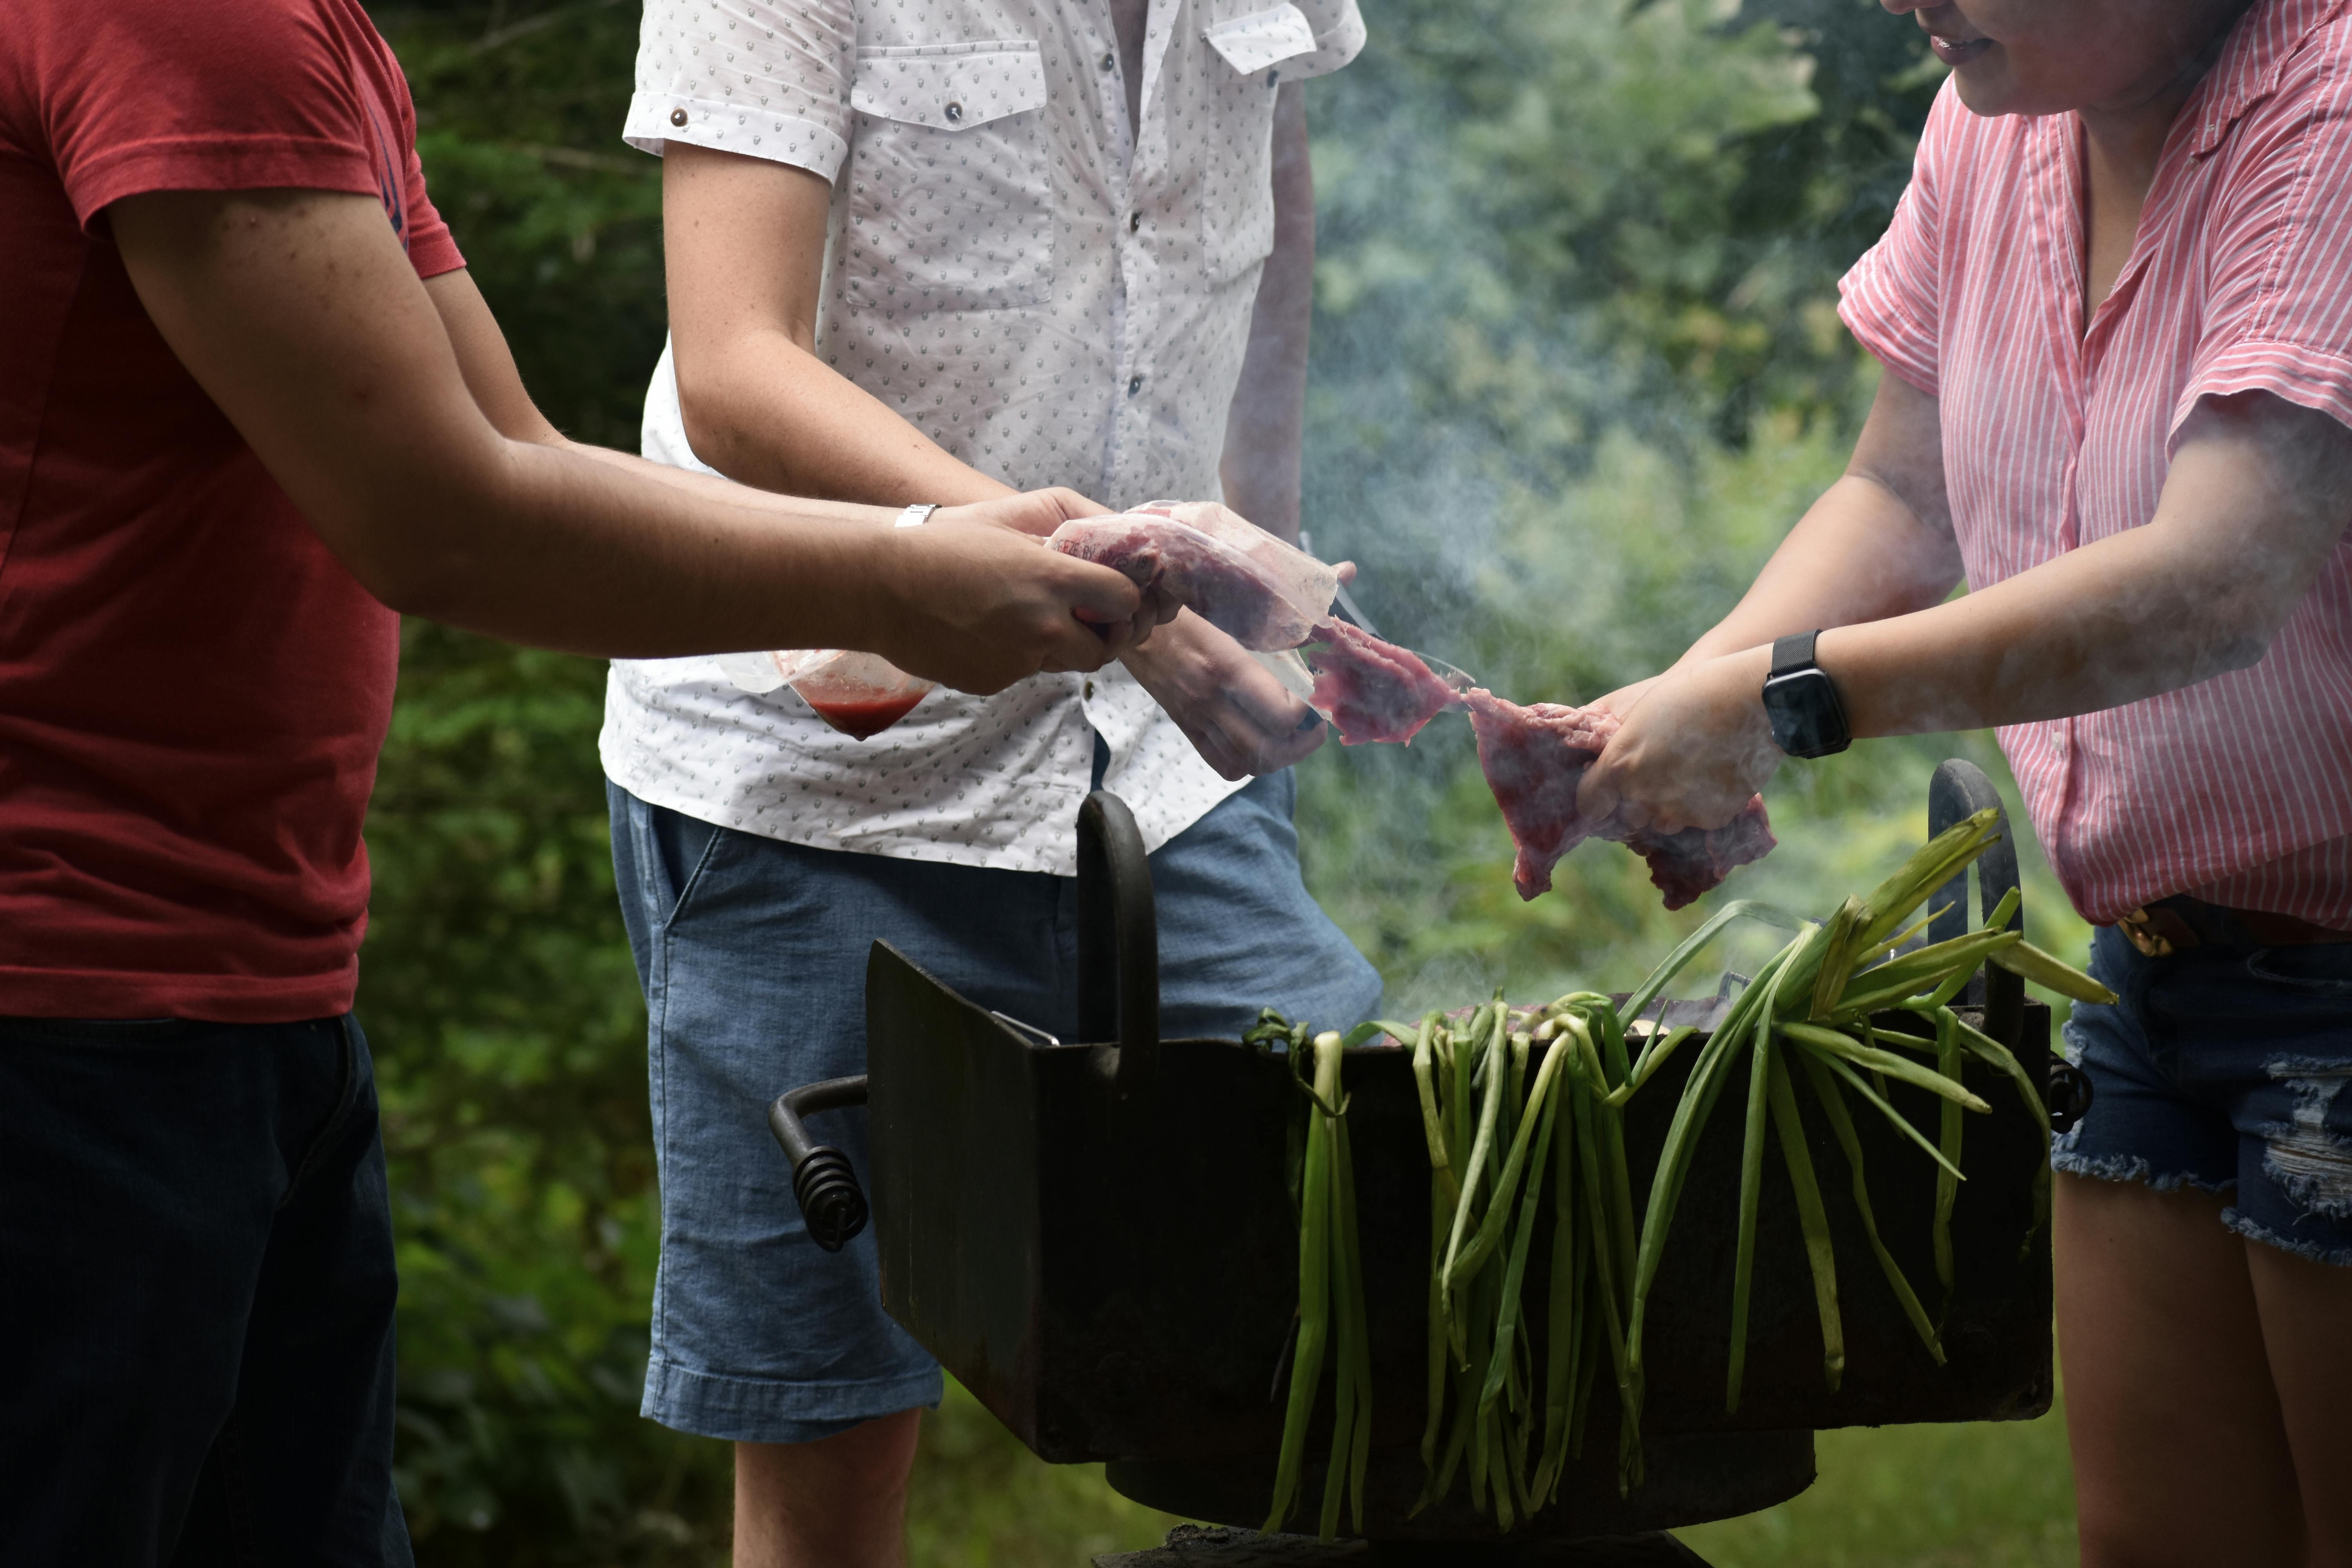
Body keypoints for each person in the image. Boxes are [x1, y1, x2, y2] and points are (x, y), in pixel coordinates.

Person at [0, 0, 1158, 1559]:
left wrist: (924, 556)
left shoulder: (302, 30)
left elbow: (512, 443)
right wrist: (901, 584)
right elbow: (444, 524)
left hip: (237, 993)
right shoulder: (187, 16)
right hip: (70, 1011)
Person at [602, 0, 1383, 1559]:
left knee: (1352, 1318)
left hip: (1167, 780)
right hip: (822, 778)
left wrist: (1265, 539)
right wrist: (1102, 583)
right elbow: (736, 369)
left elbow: (1267, 189)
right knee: (828, 1456)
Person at [1576, 0, 2352, 1561]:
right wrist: (1691, 694)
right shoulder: (1993, 121)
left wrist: (1788, 702)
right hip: (2155, 972)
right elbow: (1897, 486)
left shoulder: (2327, 115)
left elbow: (2219, 577)